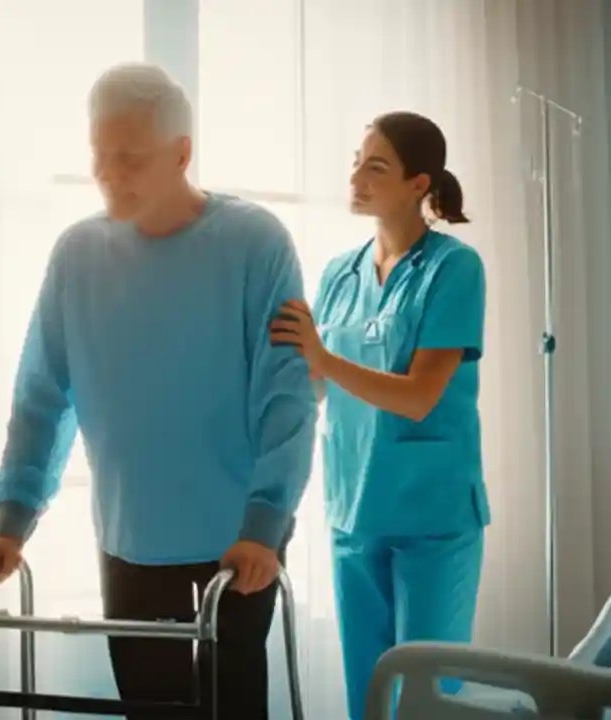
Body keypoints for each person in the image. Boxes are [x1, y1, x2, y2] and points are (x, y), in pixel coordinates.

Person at [0, 62, 317, 720]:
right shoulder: (76, 255)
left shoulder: (254, 242)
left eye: (129, 158)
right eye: (99, 154)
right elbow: (42, 395)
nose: (108, 173)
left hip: (236, 542)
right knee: (151, 713)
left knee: (233, 710)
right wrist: (12, 522)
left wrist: (266, 526)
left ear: (182, 153)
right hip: (131, 538)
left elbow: (287, 397)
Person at [269, 111, 490, 719]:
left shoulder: (453, 269)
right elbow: (314, 386)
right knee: (367, 699)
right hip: (353, 509)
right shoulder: (340, 273)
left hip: (433, 517)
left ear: (420, 184)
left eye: (377, 166)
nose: (358, 176)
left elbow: (419, 395)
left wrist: (322, 355)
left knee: (422, 700)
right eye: (356, 162)